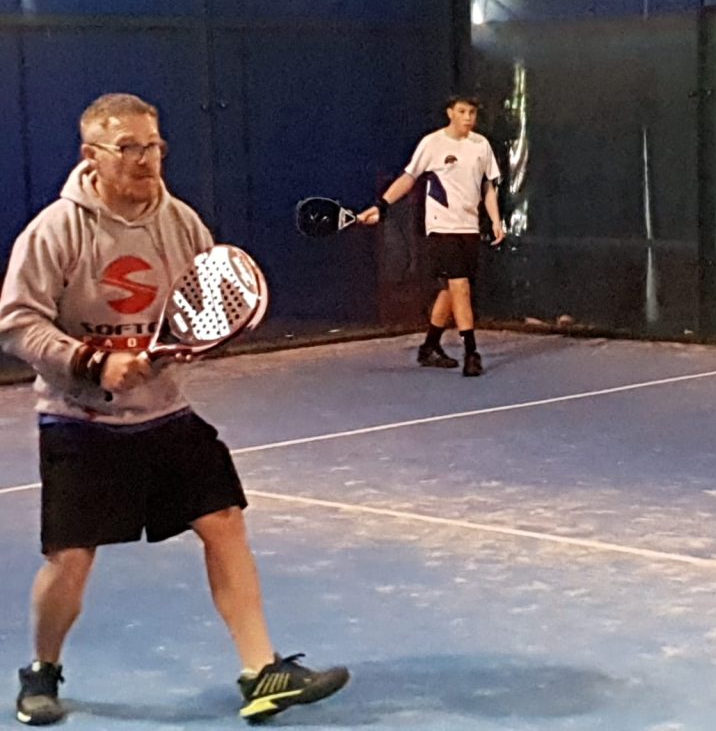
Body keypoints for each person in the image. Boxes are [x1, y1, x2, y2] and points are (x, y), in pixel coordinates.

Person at [0, 93, 349, 726]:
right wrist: (92, 362)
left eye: (153, 145)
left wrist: (191, 344)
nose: (145, 159)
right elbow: (17, 323)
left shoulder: (182, 222)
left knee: (223, 520)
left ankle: (261, 671)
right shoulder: (55, 230)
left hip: (164, 415)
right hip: (79, 421)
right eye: (127, 148)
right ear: (91, 155)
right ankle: (42, 671)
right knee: (71, 557)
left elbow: (206, 303)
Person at [359, 93, 505, 377]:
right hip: (441, 226)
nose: (468, 118)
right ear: (450, 112)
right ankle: (471, 353)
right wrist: (381, 206)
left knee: (451, 289)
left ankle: (429, 346)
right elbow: (408, 177)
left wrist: (496, 220)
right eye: (462, 111)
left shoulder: (481, 145)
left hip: (469, 227)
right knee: (460, 286)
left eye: (472, 113)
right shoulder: (432, 143)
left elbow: (488, 186)